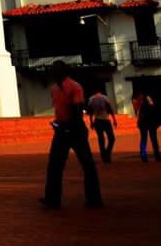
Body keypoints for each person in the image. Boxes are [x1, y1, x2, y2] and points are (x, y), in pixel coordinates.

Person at [41, 61, 102, 210]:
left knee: (87, 164)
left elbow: (77, 110)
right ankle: (52, 199)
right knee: (54, 165)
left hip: (74, 129)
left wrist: (67, 128)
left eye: (55, 71)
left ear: (62, 72)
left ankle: (94, 199)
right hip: (62, 128)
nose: (53, 73)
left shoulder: (74, 87)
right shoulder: (55, 89)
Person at [133, 85, 161, 162]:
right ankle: (157, 156)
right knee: (153, 139)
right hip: (149, 121)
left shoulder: (135, 100)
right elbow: (152, 107)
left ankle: (143, 155)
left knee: (144, 139)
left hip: (142, 122)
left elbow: (136, 112)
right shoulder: (146, 98)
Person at [87, 85, 116, 163]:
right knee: (112, 138)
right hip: (105, 119)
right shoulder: (104, 98)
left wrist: (91, 122)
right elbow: (110, 109)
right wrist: (114, 119)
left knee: (101, 139)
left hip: (97, 121)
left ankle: (104, 156)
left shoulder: (91, 99)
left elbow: (90, 112)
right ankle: (107, 153)